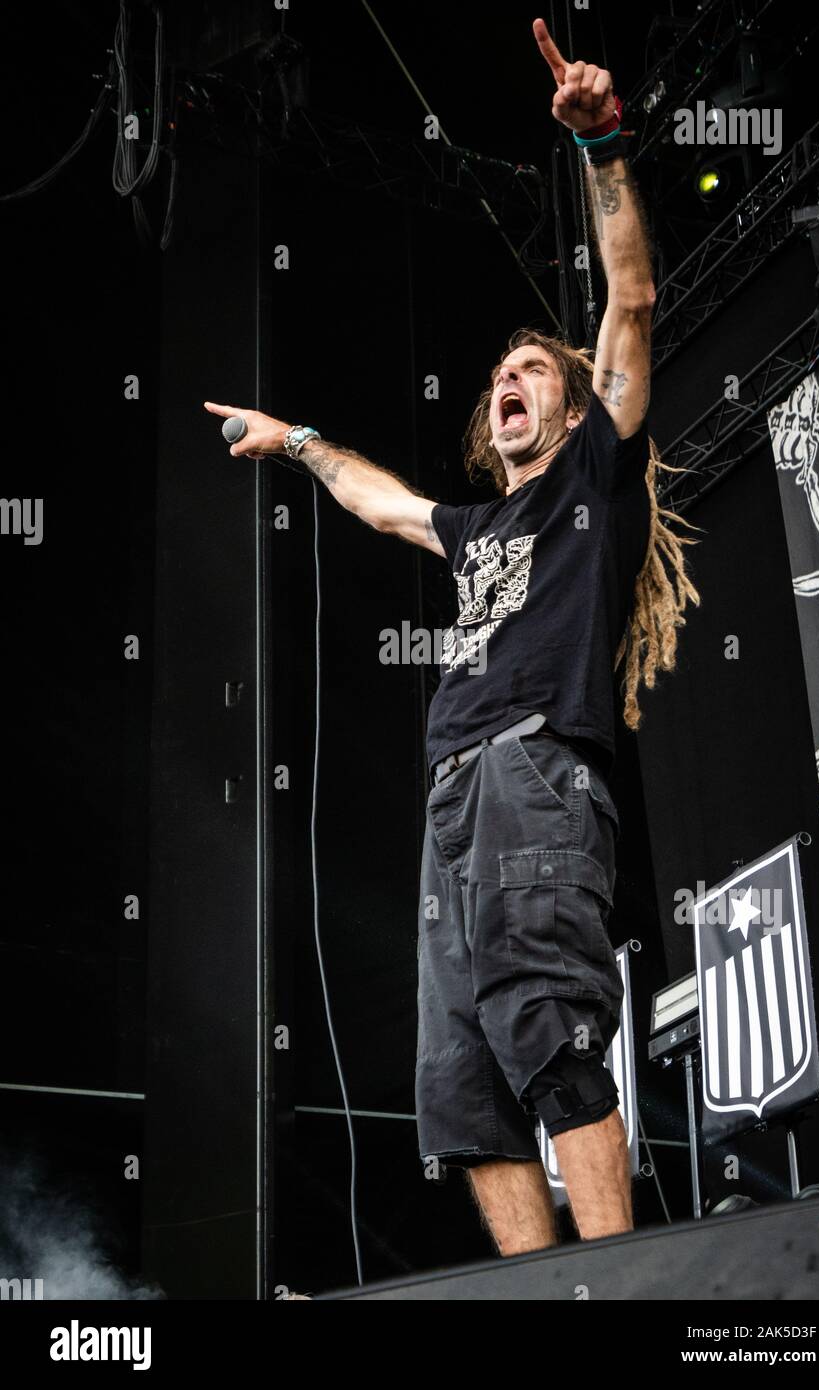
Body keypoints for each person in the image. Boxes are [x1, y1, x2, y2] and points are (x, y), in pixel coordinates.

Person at [205, 19, 699, 1256]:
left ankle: (618, 1283)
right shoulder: (480, 525)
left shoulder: (594, 473)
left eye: (534, 367)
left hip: (537, 770)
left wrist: (600, 151)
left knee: (546, 1022)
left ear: (573, 398)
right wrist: (299, 440)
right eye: (501, 377)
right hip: (452, 797)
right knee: (458, 1075)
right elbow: (383, 503)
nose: (510, 381)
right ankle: (539, 1292)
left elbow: (629, 300)